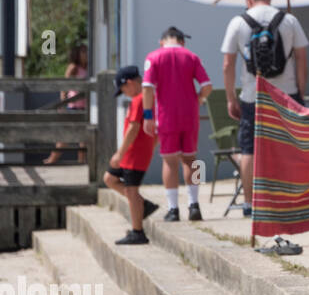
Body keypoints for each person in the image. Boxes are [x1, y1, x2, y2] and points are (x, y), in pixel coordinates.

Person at [221, 0, 309, 218]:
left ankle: (250, 204)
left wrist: (231, 98)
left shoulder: (238, 22)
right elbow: (301, 58)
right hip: (286, 94)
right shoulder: (289, 20)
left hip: (253, 95)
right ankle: (290, 200)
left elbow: (228, 63)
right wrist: (300, 91)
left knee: (249, 149)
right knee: (290, 145)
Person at [142, 27, 212, 222]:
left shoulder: (153, 57)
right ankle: (195, 205)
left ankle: (173, 209)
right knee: (192, 160)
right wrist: (198, 98)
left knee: (169, 161)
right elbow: (207, 86)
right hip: (190, 115)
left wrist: (148, 115)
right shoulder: (191, 56)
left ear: (161, 41)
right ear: (182, 41)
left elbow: (147, 88)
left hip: (166, 116)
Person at [102, 65, 160, 244]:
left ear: (129, 83)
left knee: (131, 190)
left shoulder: (139, 99)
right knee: (109, 178)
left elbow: (134, 128)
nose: (124, 93)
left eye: (123, 89)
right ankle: (144, 205)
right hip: (133, 153)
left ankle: (138, 232)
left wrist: (120, 153)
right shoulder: (144, 99)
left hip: (134, 153)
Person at [44, 43, 89, 164]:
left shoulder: (89, 68)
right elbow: (64, 87)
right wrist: (62, 104)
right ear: (78, 55)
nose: (86, 55)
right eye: (83, 52)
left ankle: (81, 161)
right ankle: (52, 159)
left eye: (86, 52)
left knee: (83, 137)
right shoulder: (73, 68)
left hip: (85, 107)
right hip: (73, 106)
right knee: (65, 136)